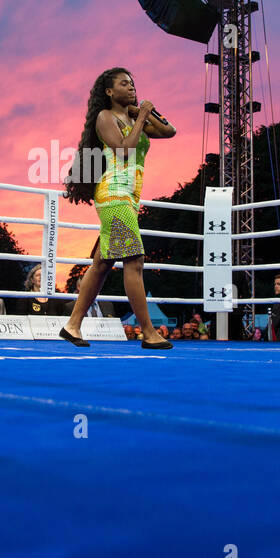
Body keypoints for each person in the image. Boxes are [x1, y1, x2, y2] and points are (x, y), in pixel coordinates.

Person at [58, 67, 176, 348]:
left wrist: (146, 112)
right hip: (113, 195)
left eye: (133, 83)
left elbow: (170, 131)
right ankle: (148, 332)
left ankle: (72, 326)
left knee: (102, 263)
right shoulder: (105, 117)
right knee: (134, 260)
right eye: (125, 83)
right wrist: (142, 117)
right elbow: (124, 149)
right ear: (110, 92)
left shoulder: (134, 117)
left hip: (130, 198)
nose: (132, 87)